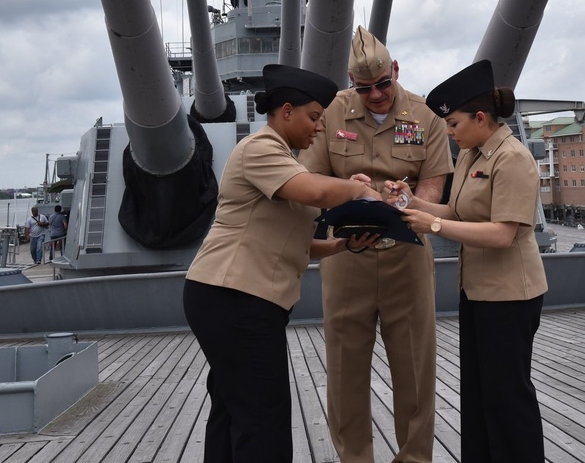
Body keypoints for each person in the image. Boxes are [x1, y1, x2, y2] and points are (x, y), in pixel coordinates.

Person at [183, 64, 383, 462]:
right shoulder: (261, 148)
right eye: (313, 117)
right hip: (235, 298)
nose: (319, 128)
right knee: (263, 416)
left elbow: (297, 246)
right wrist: (360, 189)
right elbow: (314, 190)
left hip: (231, 298)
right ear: (286, 111)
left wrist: (343, 245)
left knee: (232, 408)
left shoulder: (284, 161)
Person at [297, 26, 452, 463]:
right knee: (345, 372)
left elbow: (436, 185)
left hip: (407, 255)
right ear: (352, 84)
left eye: (383, 84)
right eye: (365, 89)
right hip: (349, 258)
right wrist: (348, 188)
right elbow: (312, 180)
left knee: (415, 373)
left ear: (396, 71)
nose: (377, 95)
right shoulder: (332, 114)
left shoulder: (427, 116)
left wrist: (410, 199)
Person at [388, 59, 548, 462]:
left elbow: (502, 234)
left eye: (455, 125)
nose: (451, 134)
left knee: (508, 396)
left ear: (481, 117)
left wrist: (432, 227)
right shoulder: (471, 156)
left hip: (511, 297)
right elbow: (458, 214)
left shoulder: (511, 159)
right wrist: (411, 204)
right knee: (478, 393)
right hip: (476, 292)